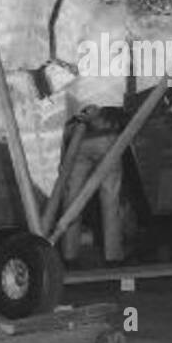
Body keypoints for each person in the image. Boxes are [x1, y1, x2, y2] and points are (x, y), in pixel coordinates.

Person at [60, 105, 127, 266]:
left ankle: (69, 255)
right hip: (106, 134)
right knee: (110, 196)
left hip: (76, 137)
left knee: (72, 199)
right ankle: (112, 256)